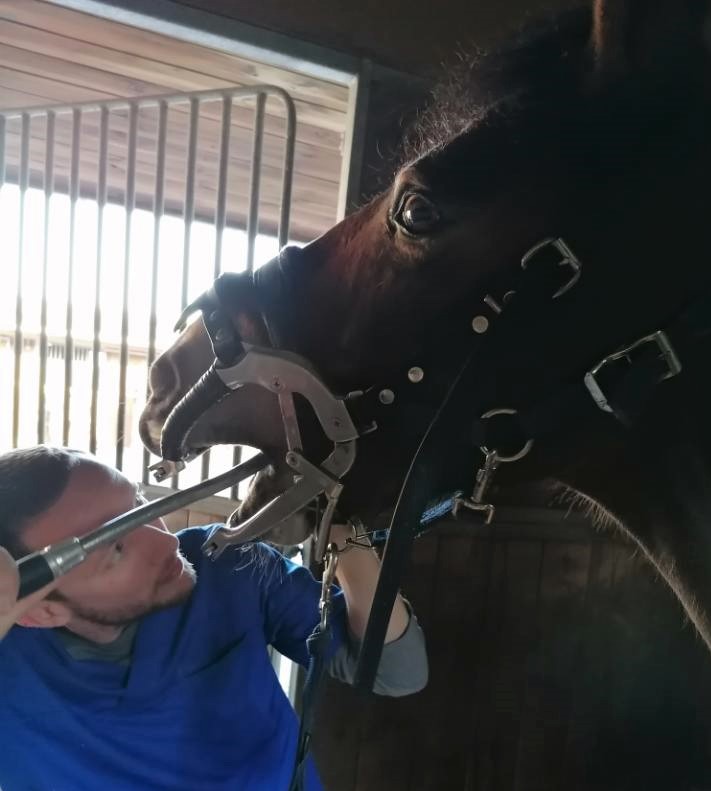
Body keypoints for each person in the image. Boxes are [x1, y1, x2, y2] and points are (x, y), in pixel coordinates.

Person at [0, 446, 428, 791]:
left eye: (140, 506)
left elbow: (397, 671)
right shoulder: (12, 669)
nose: (164, 543)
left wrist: (340, 519)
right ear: (42, 611)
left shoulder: (224, 563)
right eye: (115, 550)